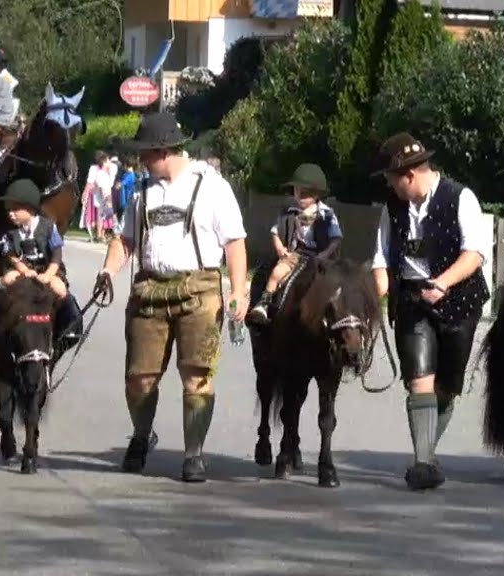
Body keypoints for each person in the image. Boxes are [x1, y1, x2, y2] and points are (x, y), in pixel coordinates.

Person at [93, 112, 249, 483]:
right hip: (150, 290)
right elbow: (125, 239)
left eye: (146, 153)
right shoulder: (144, 190)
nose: (141, 160)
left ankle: (193, 454)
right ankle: (142, 436)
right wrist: (107, 271)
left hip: (200, 290)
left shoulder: (212, 186)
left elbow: (235, 242)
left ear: (164, 150)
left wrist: (238, 291)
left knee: (197, 376)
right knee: (139, 379)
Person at [370, 132, 492, 491]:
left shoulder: (460, 198)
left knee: (447, 387)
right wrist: (372, 300)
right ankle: (423, 463)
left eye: (392, 180)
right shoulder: (391, 209)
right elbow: (380, 260)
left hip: (459, 301)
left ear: (408, 175)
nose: (390, 187)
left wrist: (443, 282)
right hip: (411, 301)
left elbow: (475, 254)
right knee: (420, 379)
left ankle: (428, 449)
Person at [0, 179, 82, 347]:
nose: (11, 213)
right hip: (25, 268)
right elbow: (11, 255)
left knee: (59, 289)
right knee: (7, 280)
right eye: (9, 209)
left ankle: (71, 319)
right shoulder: (11, 233)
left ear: (30, 208)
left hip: (47, 268)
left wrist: (48, 275)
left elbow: (56, 256)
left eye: (16, 209)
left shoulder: (48, 228)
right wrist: (22, 269)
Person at [247, 163, 342, 325]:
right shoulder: (289, 211)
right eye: (298, 192)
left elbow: (336, 239)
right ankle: (264, 304)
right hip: (296, 254)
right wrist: (280, 249)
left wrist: (324, 255)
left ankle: (334, 314)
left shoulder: (327, 214)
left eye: (306, 194)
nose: (301, 196)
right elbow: (275, 232)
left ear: (317, 194)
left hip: (320, 256)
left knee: (331, 283)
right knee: (277, 273)